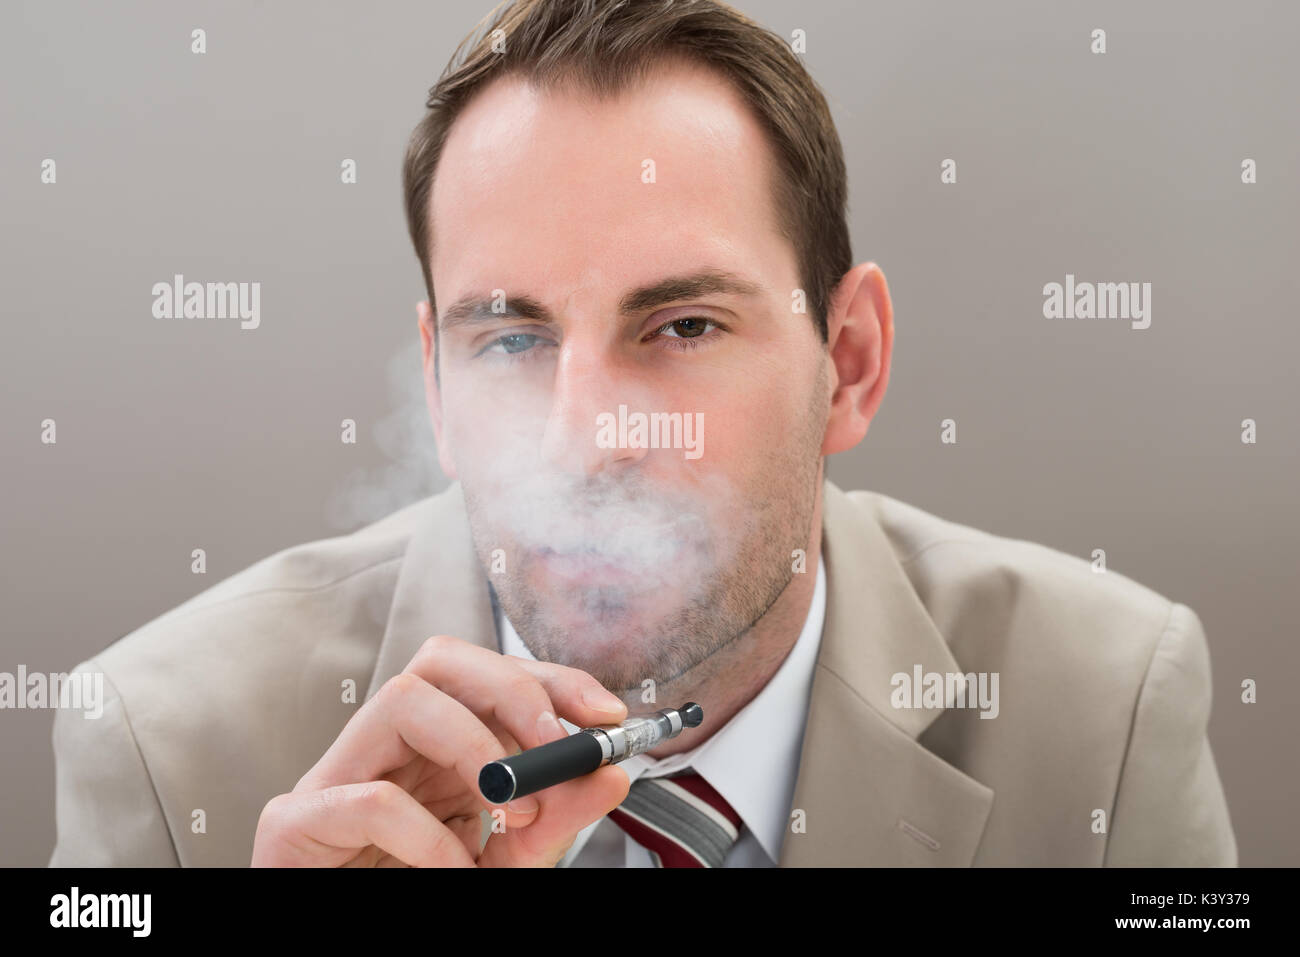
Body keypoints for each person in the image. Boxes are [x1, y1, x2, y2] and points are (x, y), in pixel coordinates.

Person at [49, 0, 1236, 867]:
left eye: (679, 325)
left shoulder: (1105, 710)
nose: (585, 441)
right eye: (510, 341)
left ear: (851, 363)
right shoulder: (166, 745)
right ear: (438, 390)